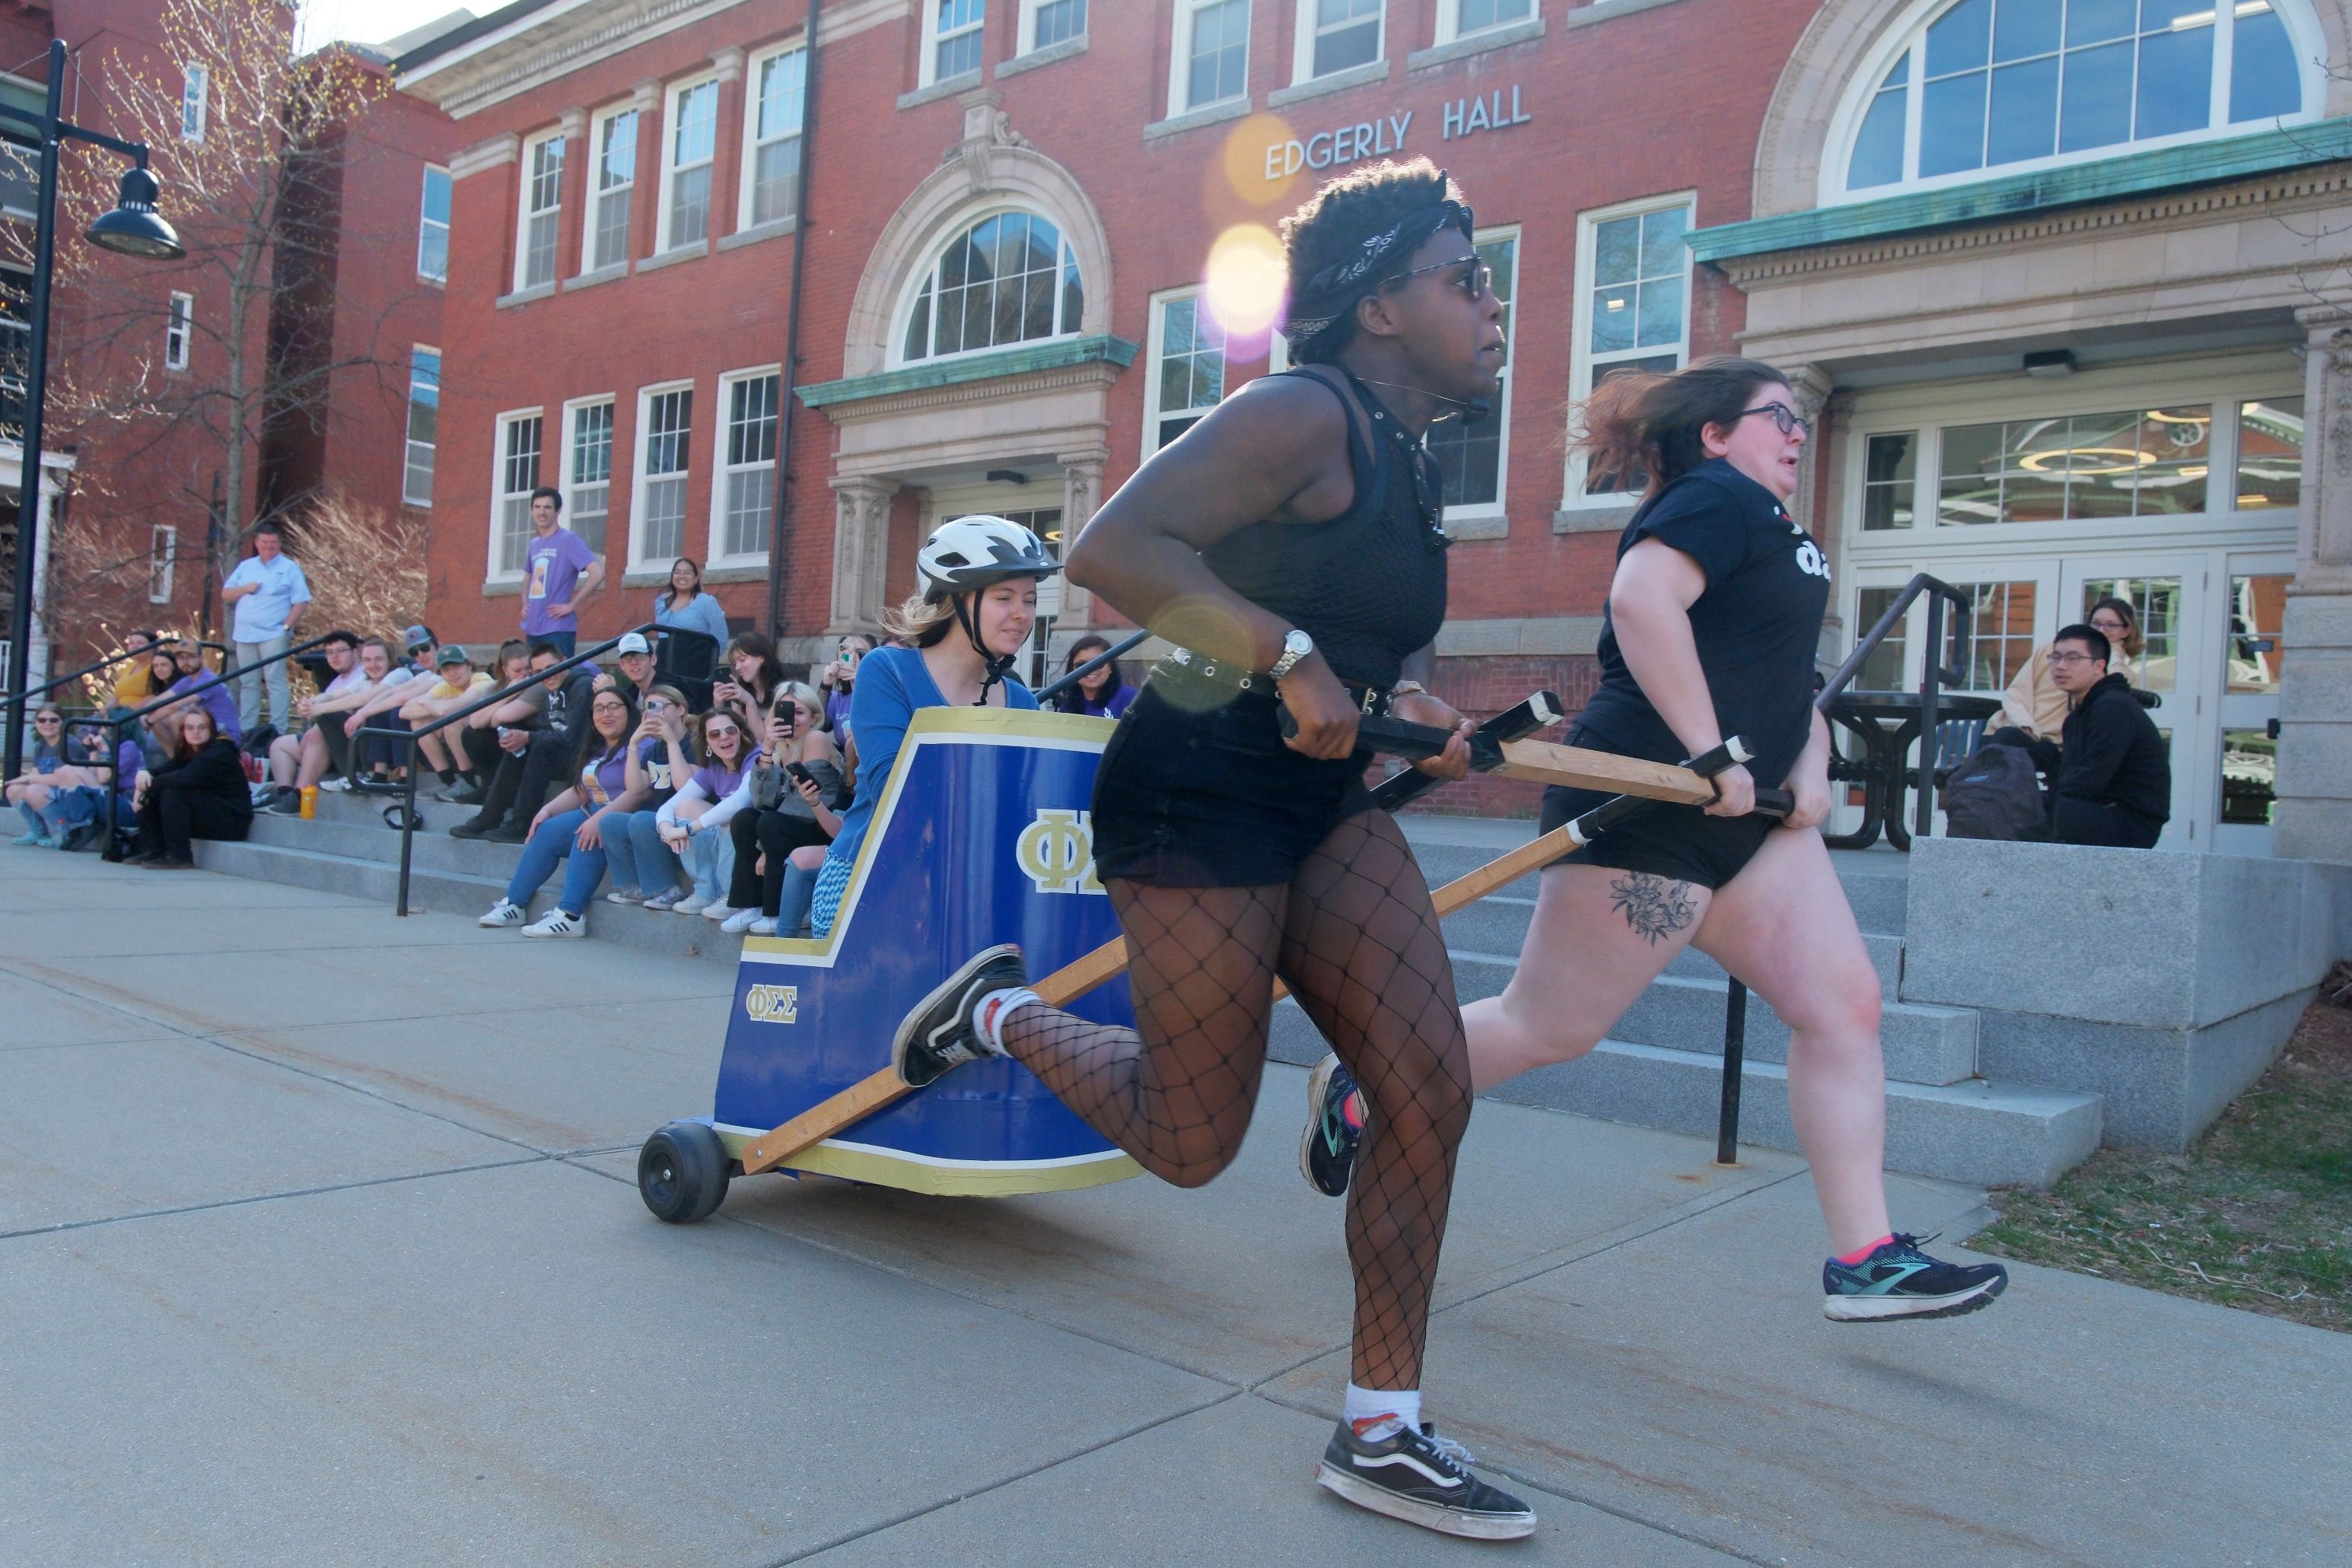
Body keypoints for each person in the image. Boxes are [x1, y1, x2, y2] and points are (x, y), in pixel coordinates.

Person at [895, 160, 1532, 1541]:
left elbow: (1366, 616)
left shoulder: (1410, 453)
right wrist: (1289, 652)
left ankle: (1382, 1425)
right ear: (1376, 305)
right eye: (1464, 279)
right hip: (1194, 796)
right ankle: (998, 1012)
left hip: (1321, 800)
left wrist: (1402, 688)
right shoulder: (1303, 410)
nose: (1492, 305)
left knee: (1426, 1079)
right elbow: (1117, 550)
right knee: (1193, 1141)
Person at [1302, 355, 2011, 1338]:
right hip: (1644, 801)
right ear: (1714, 435)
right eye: (1776, 415)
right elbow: (1640, 602)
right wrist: (1709, 748)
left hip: (1751, 822)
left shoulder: (1775, 529)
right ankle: (1362, 1086)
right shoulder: (1708, 498)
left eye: (1800, 417)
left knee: (1842, 1006)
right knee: (1553, 1027)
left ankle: (1864, 1259)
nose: (1796, 431)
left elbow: (1782, 678)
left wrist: (1808, 761)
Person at [476, 687, 647, 937]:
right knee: (547, 830)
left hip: (626, 818)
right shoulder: (597, 748)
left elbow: (640, 793)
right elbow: (581, 790)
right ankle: (514, 904)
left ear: (629, 712)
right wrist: (547, 810)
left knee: (586, 836)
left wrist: (598, 819)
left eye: (614, 706)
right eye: (599, 709)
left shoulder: (641, 744)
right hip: (594, 811)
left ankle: (570, 915)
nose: (606, 714)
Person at [714, 682, 844, 937]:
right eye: (785, 711)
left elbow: (804, 805)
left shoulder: (816, 739)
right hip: (792, 825)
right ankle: (751, 904)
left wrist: (762, 848)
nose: (792, 719)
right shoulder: (780, 749)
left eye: (799, 713)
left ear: (814, 717)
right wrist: (767, 749)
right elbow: (761, 800)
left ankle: (778, 911)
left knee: (769, 825)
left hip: (823, 826)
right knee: (744, 819)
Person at [450, 641, 600, 841]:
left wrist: (528, 737)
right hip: (562, 753)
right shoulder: (551, 689)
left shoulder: (581, 686)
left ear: (565, 662)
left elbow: (573, 738)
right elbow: (545, 729)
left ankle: (522, 822)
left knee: (537, 747)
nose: (547, 674)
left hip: (584, 757)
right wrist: (523, 739)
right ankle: (489, 817)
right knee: (522, 747)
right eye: (539, 671)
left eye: (551, 667)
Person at [2047, 623, 2170, 848]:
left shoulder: (2114, 707)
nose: (2061, 666)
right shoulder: (2078, 715)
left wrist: (2041, 797)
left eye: (2073, 658)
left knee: (2038, 810)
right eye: (2056, 657)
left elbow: (2092, 779)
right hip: (2097, 810)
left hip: (2130, 822)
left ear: (2099, 666)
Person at [1994, 597, 2139, 765]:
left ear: (2127, 631)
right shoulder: (2052, 650)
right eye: (2096, 624)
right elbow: (2016, 693)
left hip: (2059, 747)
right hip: (2018, 730)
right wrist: (2025, 725)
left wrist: (2112, 650)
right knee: (2006, 737)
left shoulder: (2121, 672)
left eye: (2111, 625)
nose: (2102, 630)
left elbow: (2112, 678)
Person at [599, 683, 695, 906]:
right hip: (658, 823)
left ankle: (668, 888)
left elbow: (685, 786)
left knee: (642, 819)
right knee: (611, 822)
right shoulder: (653, 749)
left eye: (661, 706)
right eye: (650, 708)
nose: (656, 713)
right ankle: (634, 887)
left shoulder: (695, 741)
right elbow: (635, 788)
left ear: (681, 709)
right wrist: (633, 744)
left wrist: (672, 741)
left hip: (686, 821)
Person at [651, 708, 752, 914]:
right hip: (733, 837)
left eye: (730, 730)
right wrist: (668, 831)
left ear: (741, 733)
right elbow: (668, 806)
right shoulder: (713, 768)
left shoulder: (756, 757)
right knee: (685, 807)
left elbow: (738, 803)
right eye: (715, 734)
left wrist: (687, 830)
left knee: (731, 818)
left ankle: (733, 896)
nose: (724, 737)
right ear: (707, 742)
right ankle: (706, 893)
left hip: (755, 834)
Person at [218, 520, 311, 735]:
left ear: (279, 544)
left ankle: (278, 729)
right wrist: (246, 588)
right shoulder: (246, 567)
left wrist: (286, 627)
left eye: (273, 543)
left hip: (273, 634)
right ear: (257, 543)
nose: (268, 546)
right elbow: (226, 594)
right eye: (264, 542)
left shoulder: (290, 568)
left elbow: (302, 601)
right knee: (248, 682)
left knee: (275, 681)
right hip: (245, 634)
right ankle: (247, 729)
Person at [261, 630, 370, 812]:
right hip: (326, 741)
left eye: (340, 651)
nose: (334, 657)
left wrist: (318, 714)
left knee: (317, 735)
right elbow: (327, 698)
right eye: (330, 652)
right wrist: (308, 704)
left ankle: (299, 794)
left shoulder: (363, 675)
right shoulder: (338, 681)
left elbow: (347, 710)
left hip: (350, 745)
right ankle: (284, 792)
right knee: (280, 745)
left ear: (355, 652)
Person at [132, 705, 253, 869]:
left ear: (211, 730)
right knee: (159, 789)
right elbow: (166, 770)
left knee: (173, 793)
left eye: (202, 727)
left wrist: (144, 787)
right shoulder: (191, 750)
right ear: (183, 731)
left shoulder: (220, 751)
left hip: (230, 821)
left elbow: (186, 778)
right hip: (210, 813)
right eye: (190, 728)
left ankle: (180, 857)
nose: (196, 732)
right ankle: (152, 851)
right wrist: (146, 773)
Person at [403, 644, 497, 801]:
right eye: (446, 670)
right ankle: (449, 781)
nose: (452, 674)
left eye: (456, 667)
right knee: (419, 723)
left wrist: (432, 704)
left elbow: (447, 711)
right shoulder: (446, 686)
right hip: (464, 738)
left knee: (453, 720)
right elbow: (405, 711)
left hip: (490, 741)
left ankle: (468, 781)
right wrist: (436, 705)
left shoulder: (481, 680)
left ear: (468, 665)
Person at [520, 486, 603, 657]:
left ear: (557, 511)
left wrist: (572, 606)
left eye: (547, 507)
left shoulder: (569, 540)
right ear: (531, 510)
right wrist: (524, 604)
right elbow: (528, 576)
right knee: (537, 682)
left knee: (560, 680)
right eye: (537, 507)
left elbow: (598, 573)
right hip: (533, 627)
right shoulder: (534, 544)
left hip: (558, 629)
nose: (542, 512)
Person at [711, 631, 788, 749]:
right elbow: (730, 733)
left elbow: (764, 740)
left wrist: (750, 703)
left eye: (742, 660)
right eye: (735, 663)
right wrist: (719, 704)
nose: (737, 668)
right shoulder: (741, 692)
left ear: (761, 658)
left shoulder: (784, 693)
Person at [158, 641, 242, 746]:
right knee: (159, 722)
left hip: (225, 735)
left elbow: (174, 706)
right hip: (203, 729)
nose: (186, 662)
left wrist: (148, 721)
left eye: (191, 657)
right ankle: (176, 759)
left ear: (201, 658)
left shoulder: (208, 679)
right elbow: (159, 701)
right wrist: (144, 717)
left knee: (177, 718)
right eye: (181, 658)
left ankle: (185, 758)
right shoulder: (188, 680)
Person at [652, 556, 729, 653]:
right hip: (663, 661)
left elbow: (720, 637)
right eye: (677, 572)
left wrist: (711, 661)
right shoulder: (661, 601)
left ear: (696, 579)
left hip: (694, 661)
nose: (682, 576)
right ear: (672, 577)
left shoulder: (706, 602)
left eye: (687, 573)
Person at [1051, 633, 1137, 718]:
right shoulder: (1068, 707)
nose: (1090, 669)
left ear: (1110, 667)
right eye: (1081, 665)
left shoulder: (1130, 699)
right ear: (1072, 669)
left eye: (1098, 663)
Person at [819, 632, 872, 740]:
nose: (856, 660)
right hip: (845, 755)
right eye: (849, 655)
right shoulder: (836, 698)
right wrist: (826, 685)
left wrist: (861, 682)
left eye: (860, 654)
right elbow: (819, 726)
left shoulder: (879, 693)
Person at [596, 631, 658, 705]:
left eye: (640, 656)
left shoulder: (669, 688)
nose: (634, 662)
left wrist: (610, 693)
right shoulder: (633, 692)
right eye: (627, 658)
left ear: (653, 659)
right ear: (622, 665)